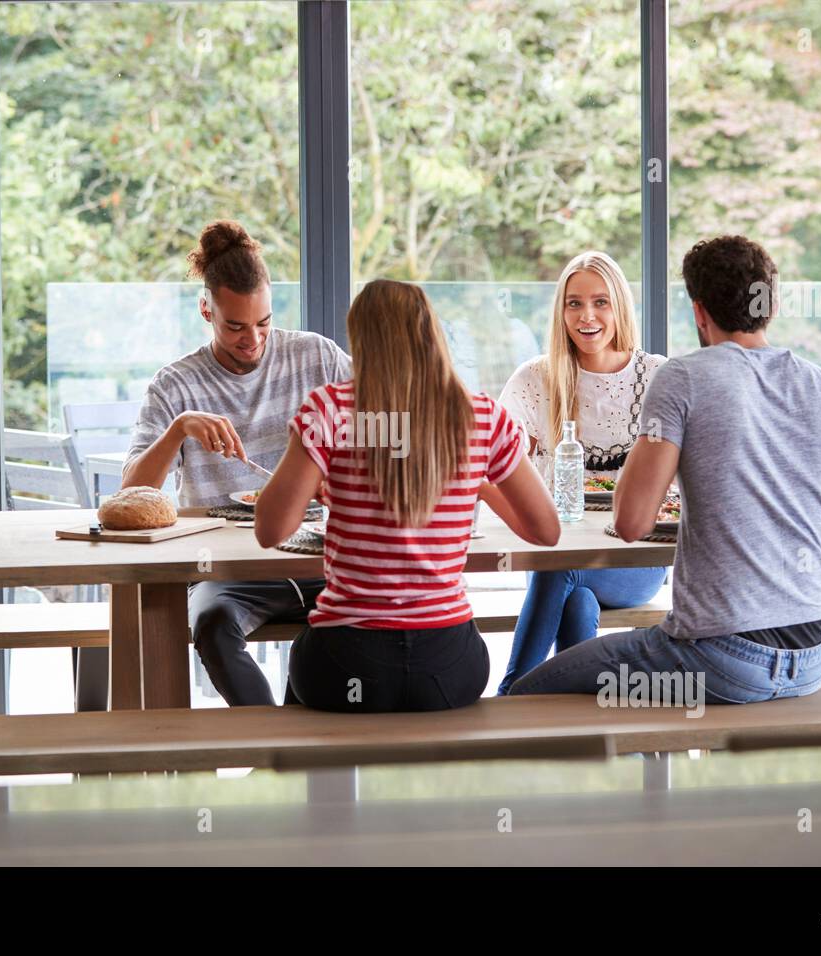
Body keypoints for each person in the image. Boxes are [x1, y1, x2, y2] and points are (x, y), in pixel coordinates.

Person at [509, 235, 821, 704]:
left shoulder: (679, 377)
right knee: (582, 633)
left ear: (699, 311)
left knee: (528, 693)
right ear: (770, 307)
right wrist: (800, 478)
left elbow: (631, 523)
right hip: (817, 657)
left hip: (719, 659)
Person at [254, 279, 560, 712]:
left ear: (360, 340)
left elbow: (270, 529)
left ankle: (309, 774)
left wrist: (324, 481)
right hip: (450, 670)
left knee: (308, 668)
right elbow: (546, 530)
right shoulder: (483, 417)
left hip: (347, 669)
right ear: (431, 332)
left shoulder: (329, 409)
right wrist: (474, 479)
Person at [122, 220, 351, 705]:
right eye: (235, 326)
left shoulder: (318, 358)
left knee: (359, 619)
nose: (253, 340)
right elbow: (131, 492)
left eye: (263, 323)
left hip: (319, 558)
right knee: (212, 622)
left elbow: (381, 434)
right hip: (226, 572)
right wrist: (178, 428)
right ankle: (276, 749)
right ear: (207, 310)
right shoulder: (175, 385)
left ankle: (290, 748)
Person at [495, 251, 669, 694]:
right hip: (560, 551)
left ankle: (513, 694)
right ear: (561, 310)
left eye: (600, 302)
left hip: (635, 558)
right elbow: (496, 466)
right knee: (577, 603)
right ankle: (578, 722)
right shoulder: (535, 378)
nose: (586, 316)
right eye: (574, 303)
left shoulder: (657, 377)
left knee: (560, 571)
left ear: (620, 307)